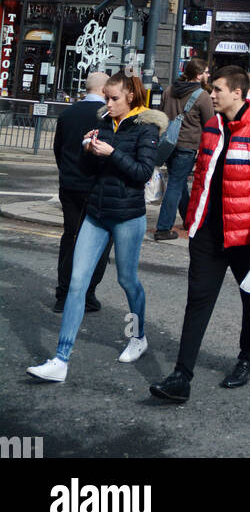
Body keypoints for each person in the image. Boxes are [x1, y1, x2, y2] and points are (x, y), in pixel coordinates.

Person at [149, 64, 250, 402]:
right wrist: (192, 221)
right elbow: (201, 179)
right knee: (197, 301)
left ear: (237, 93)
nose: (212, 94)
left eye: (218, 90)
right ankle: (181, 377)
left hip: (246, 238)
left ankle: (246, 358)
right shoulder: (211, 128)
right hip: (207, 232)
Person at [28, 72, 167, 382]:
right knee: (77, 283)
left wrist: (112, 153)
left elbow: (143, 172)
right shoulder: (104, 123)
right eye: (105, 97)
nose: (107, 103)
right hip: (96, 212)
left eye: (113, 98)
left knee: (127, 280)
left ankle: (138, 335)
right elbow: (91, 170)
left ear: (130, 97)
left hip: (128, 215)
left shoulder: (147, 128)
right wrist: (88, 150)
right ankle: (60, 359)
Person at [52, 70, 111, 313]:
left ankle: (63, 293)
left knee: (71, 236)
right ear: (106, 90)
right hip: (95, 186)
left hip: (69, 185)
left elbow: (58, 149)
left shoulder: (67, 113)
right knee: (99, 242)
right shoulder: (106, 116)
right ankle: (87, 294)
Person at [155, 58, 213, 241]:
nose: (208, 75)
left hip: (168, 144)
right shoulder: (202, 96)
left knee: (178, 183)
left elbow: (161, 114)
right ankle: (163, 228)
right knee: (175, 185)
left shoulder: (169, 90)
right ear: (198, 75)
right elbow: (210, 123)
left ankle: (189, 220)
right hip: (187, 145)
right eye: (206, 71)